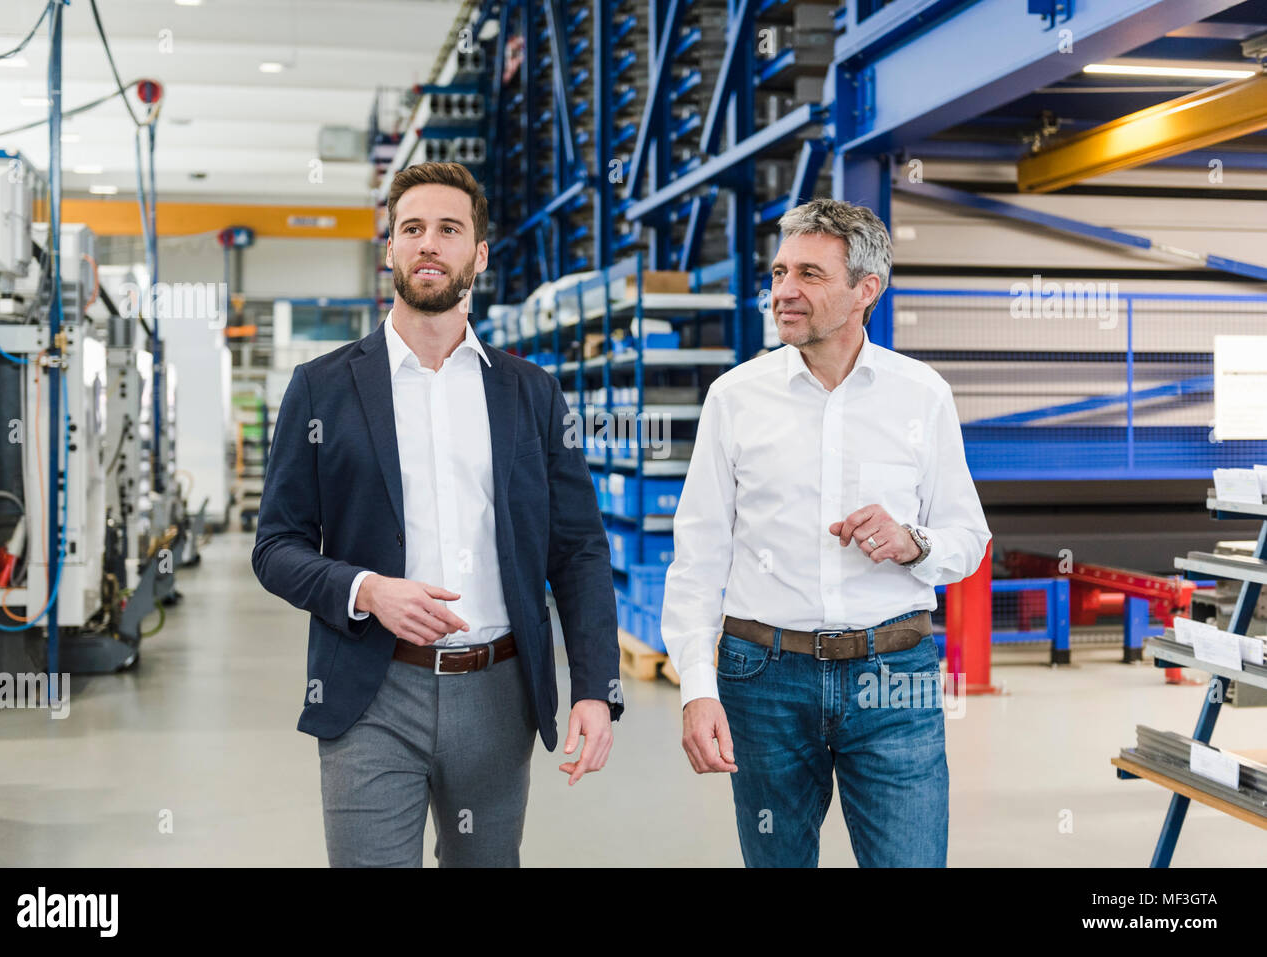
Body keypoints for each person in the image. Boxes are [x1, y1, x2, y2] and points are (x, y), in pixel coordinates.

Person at [252, 161, 621, 867]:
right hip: (369, 689)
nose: (428, 243)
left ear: (478, 254)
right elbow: (277, 545)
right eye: (411, 228)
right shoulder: (321, 389)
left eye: (449, 229)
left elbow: (577, 548)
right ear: (388, 247)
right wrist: (366, 590)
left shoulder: (531, 394)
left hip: (497, 692)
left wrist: (596, 688)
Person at [661, 198, 991, 867]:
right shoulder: (735, 398)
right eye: (781, 271)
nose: (784, 290)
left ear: (866, 289)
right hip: (763, 678)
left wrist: (912, 540)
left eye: (809, 274)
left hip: (893, 674)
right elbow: (696, 560)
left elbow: (969, 537)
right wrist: (698, 688)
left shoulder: (920, 395)